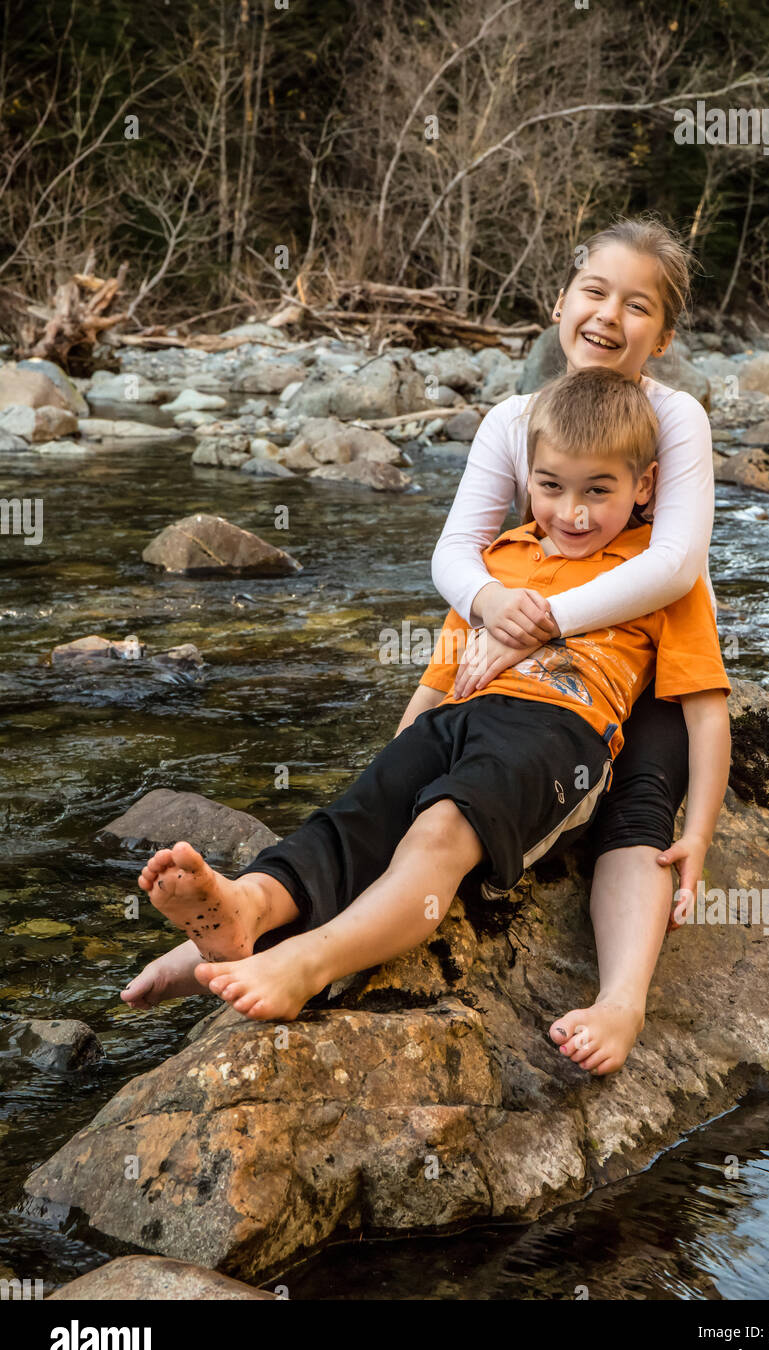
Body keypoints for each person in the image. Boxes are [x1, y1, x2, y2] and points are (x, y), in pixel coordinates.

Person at [123, 368, 731, 1078]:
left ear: (646, 485)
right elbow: (438, 678)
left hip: (556, 737)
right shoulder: (500, 562)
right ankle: (247, 905)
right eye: (551, 486)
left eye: (599, 490)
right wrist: (395, 763)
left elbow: (705, 708)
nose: (572, 513)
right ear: (525, 478)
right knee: (357, 818)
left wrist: (698, 833)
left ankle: (308, 962)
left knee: (442, 828)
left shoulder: (659, 577)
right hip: (458, 721)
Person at [404, 214, 718, 1067]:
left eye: (638, 305)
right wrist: (497, 607)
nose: (609, 317)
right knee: (426, 761)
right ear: (559, 301)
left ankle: (621, 1003)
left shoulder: (674, 416)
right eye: (594, 290)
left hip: (646, 647)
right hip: (535, 634)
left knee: (643, 795)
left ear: (664, 334)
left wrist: (539, 622)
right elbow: (455, 552)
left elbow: (677, 563)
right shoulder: (511, 419)